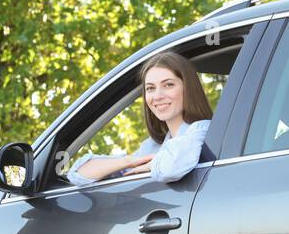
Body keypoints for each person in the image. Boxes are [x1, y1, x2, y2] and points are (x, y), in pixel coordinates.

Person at [67, 51, 212, 186]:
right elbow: (78, 175)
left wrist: (150, 164)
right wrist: (128, 161)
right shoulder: (151, 147)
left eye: (168, 85)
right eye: (150, 88)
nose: (157, 96)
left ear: (188, 88)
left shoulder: (203, 130)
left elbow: (169, 169)